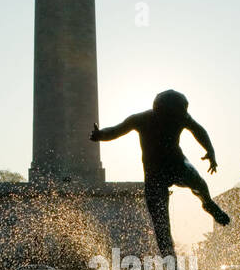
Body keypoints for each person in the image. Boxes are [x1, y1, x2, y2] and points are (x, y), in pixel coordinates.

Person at [91, 90, 230, 256]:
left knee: (198, 182)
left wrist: (210, 151)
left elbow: (199, 131)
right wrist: (101, 135)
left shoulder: (181, 117)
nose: (172, 120)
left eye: (178, 115)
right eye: (169, 116)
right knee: (162, 226)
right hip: (154, 175)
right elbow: (117, 130)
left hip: (177, 164)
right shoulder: (142, 119)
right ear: (158, 110)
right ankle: (169, 257)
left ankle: (207, 203)